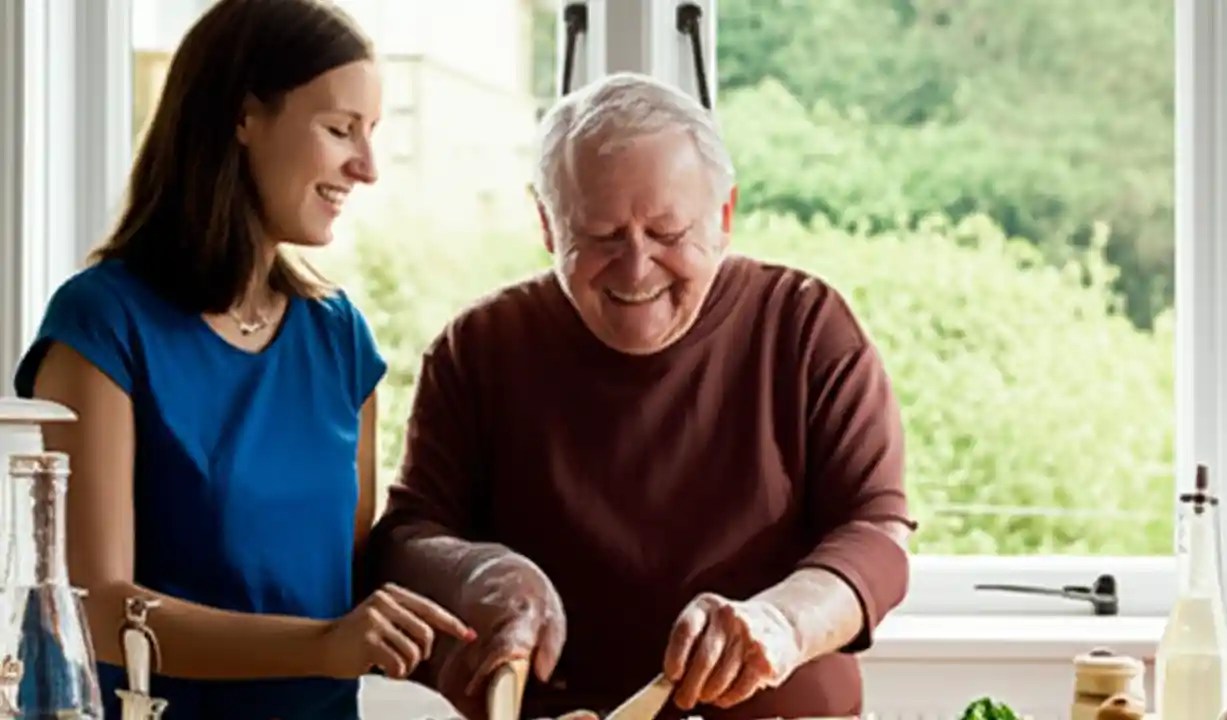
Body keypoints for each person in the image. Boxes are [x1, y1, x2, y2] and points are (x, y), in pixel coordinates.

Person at [369, 71, 917, 720]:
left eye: (667, 234)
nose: (635, 270)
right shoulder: (480, 347)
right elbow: (404, 540)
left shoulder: (803, 325)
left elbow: (875, 534)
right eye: (600, 237)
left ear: (724, 216)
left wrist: (779, 623)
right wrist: (480, 574)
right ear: (548, 225)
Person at [12, 1, 473, 718]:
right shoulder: (101, 325)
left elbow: (348, 582)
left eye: (373, 133)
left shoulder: (340, 339)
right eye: (339, 129)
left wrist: (484, 599)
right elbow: (97, 611)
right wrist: (323, 646)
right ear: (242, 118)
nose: (368, 166)